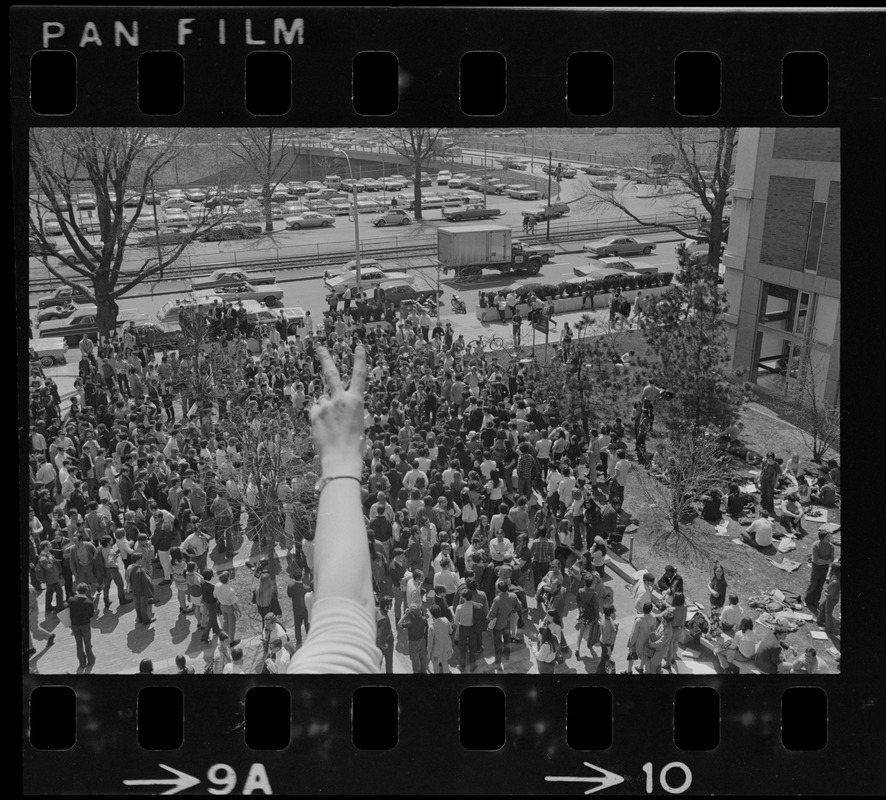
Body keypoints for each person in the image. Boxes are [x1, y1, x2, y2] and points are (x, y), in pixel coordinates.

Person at [66, 582, 96, 670]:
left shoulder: (71, 600)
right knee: (87, 643)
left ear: (77, 590)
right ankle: (90, 661)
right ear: (86, 591)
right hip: (85, 625)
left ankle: (82, 663)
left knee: (79, 644)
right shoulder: (89, 602)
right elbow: (91, 614)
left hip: (75, 625)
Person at [804, 531, 836, 609]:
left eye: (829, 537)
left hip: (824, 567)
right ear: (822, 538)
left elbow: (832, 559)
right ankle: (807, 600)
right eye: (827, 537)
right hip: (816, 568)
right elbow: (815, 560)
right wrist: (825, 561)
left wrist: (821, 561)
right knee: (813, 585)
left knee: (820, 585)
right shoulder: (816, 545)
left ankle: (816, 601)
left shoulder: (831, 546)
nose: (829, 538)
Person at [626, 602, 657, 674]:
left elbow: (634, 634)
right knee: (644, 656)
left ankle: (629, 671)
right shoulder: (653, 619)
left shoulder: (638, 620)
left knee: (631, 657)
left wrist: (631, 644)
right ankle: (640, 668)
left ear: (643, 609)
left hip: (637, 643)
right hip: (647, 643)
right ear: (650, 610)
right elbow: (653, 631)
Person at [400, 603, 430, 674]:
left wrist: (405, 615)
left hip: (413, 643)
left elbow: (399, 624)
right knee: (423, 659)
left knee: (415, 662)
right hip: (422, 641)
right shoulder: (424, 619)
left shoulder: (409, 623)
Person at [427, 604, 454, 673]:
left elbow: (430, 643)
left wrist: (428, 653)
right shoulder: (445, 619)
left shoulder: (431, 628)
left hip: (436, 652)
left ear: (432, 615)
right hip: (446, 648)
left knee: (436, 668)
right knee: (445, 663)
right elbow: (450, 631)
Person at [817, 561, 841, 636]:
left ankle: (828, 628)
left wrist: (826, 593)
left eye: (832, 568)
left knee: (828, 613)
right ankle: (821, 621)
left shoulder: (835, 582)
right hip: (832, 598)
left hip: (831, 599)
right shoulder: (835, 577)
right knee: (821, 606)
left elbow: (831, 594)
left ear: (835, 570)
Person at [597, 605, 618, 674]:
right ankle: (600, 672)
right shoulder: (607, 625)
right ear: (611, 613)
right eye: (613, 612)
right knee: (604, 659)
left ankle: (601, 671)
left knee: (604, 658)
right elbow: (607, 639)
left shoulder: (604, 616)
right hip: (607, 645)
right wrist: (609, 650)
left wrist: (615, 626)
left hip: (604, 641)